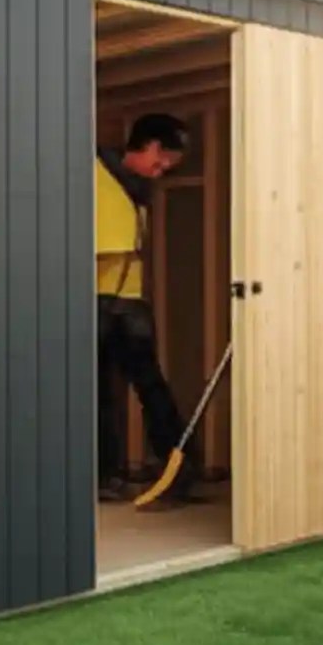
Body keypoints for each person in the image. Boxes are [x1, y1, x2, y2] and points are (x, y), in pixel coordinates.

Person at [95, 113, 200, 509]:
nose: (161, 172)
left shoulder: (136, 188)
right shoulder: (92, 172)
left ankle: (179, 467)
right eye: (162, 161)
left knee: (151, 385)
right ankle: (105, 476)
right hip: (92, 298)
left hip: (129, 298)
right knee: (98, 392)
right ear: (149, 146)